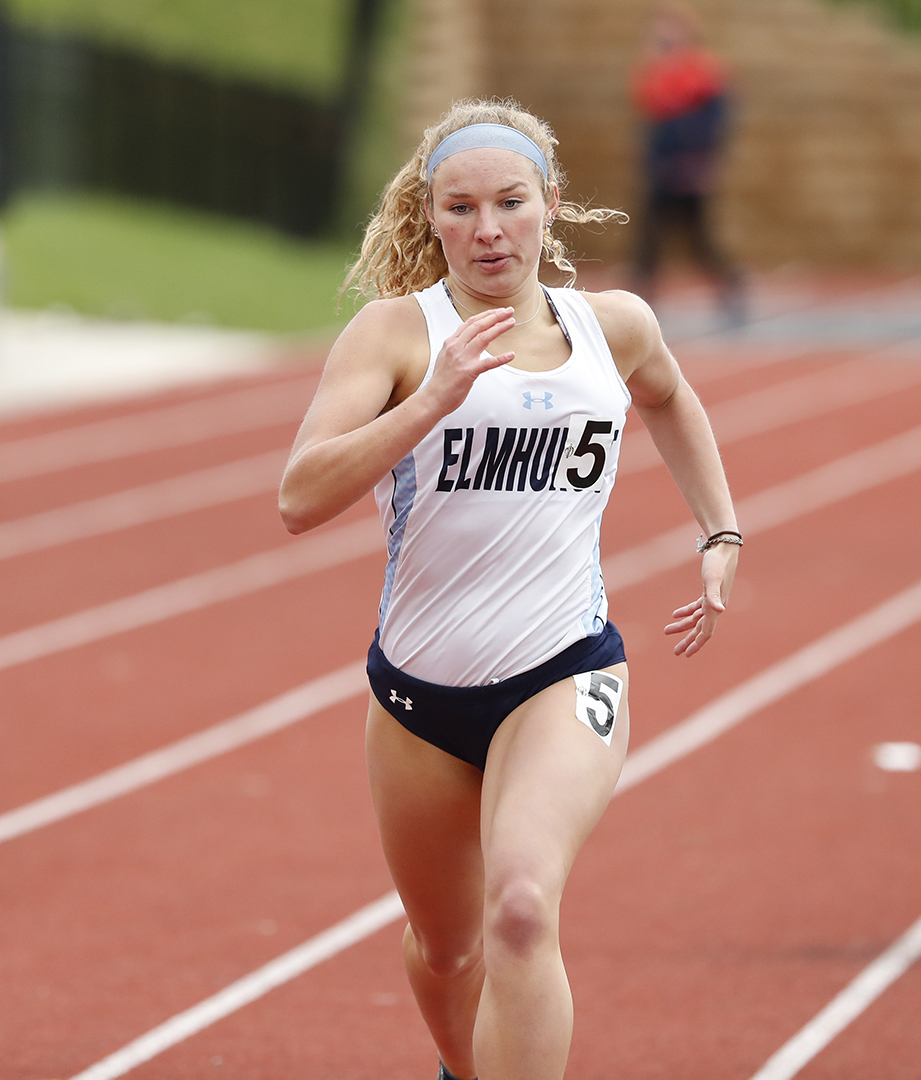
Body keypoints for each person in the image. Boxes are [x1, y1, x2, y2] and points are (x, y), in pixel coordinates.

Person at [279, 98, 741, 1080]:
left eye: (510, 202)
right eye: (460, 208)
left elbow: (667, 393)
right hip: (416, 698)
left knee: (523, 909)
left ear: (551, 206)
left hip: (564, 675)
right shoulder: (396, 337)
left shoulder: (610, 327)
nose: (488, 230)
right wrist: (433, 401)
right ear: (430, 217)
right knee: (447, 950)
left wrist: (722, 526)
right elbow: (299, 495)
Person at [630, 4, 745, 321]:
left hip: (688, 168)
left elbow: (714, 122)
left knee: (698, 238)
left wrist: (701, 162)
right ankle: (638, 300)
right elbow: (653, 122)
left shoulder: (703, 71)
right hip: (661, 168)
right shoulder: (656, 71)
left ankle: (732, 288)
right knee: (649, 236)